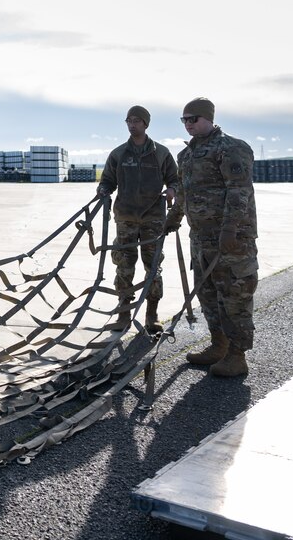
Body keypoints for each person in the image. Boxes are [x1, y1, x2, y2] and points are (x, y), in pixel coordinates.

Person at [165, 97, 258, 377]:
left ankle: (237, 355)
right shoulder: (187, 155)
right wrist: (172, 220)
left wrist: (230, 228)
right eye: (184, 120)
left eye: (192, 119)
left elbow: (239, 191)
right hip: (202, 240)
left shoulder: (231, 148)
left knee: (234, 295)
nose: (188, 125)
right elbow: (182, 192)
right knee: (208, 295)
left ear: (208, 118)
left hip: (232, 240)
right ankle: (219, 345)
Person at [97, 105, 179, 333]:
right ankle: (123, 313)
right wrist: (103, 190)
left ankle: (152, 315)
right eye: (129, 121)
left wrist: (172, 190)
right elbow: (107, 181)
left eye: (136, 121)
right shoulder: (119, 154)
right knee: (124, 266)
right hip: (126, 218)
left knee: (153, 266)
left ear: (145, 124)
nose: (132, 124)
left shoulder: (161, 153)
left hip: (154, 219)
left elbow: (175, 179)